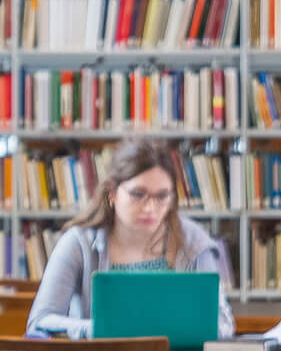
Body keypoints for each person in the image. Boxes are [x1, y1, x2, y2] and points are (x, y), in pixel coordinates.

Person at [23, 135, 231, 334]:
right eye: (138, 194)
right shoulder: (78, 243)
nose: (150, 207)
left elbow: (223, 324)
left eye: (162, 196)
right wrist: (98, 330)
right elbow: (39, 322)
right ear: (112, 193)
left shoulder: (193, 241)